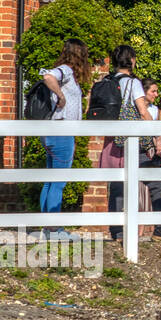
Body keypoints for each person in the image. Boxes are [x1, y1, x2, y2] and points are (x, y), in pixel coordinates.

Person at [36, 39, 90, 242]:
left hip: (52, 131)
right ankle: (53, 228)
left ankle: (47, 226)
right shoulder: (66, 70)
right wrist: (61, 96)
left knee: (51, 180)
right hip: (62, 131)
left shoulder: (67, 72)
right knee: (59, 181)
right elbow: (47, 76)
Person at [97, 45, 153, 241]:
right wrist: (154, 131)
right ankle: (125, 230)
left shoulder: (108, 80)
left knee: (115, 184)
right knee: (128, 184)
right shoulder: (132, 82)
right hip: (126, 139)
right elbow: (142, 111)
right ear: (132, 61)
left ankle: (116, 229)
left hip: (111, 138)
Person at [139, 79, 161, 240]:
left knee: (159, 188)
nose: (156, 94)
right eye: (153, 91)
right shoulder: (135, 109)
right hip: (139, 151)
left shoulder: (156, 110)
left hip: (153, 154)